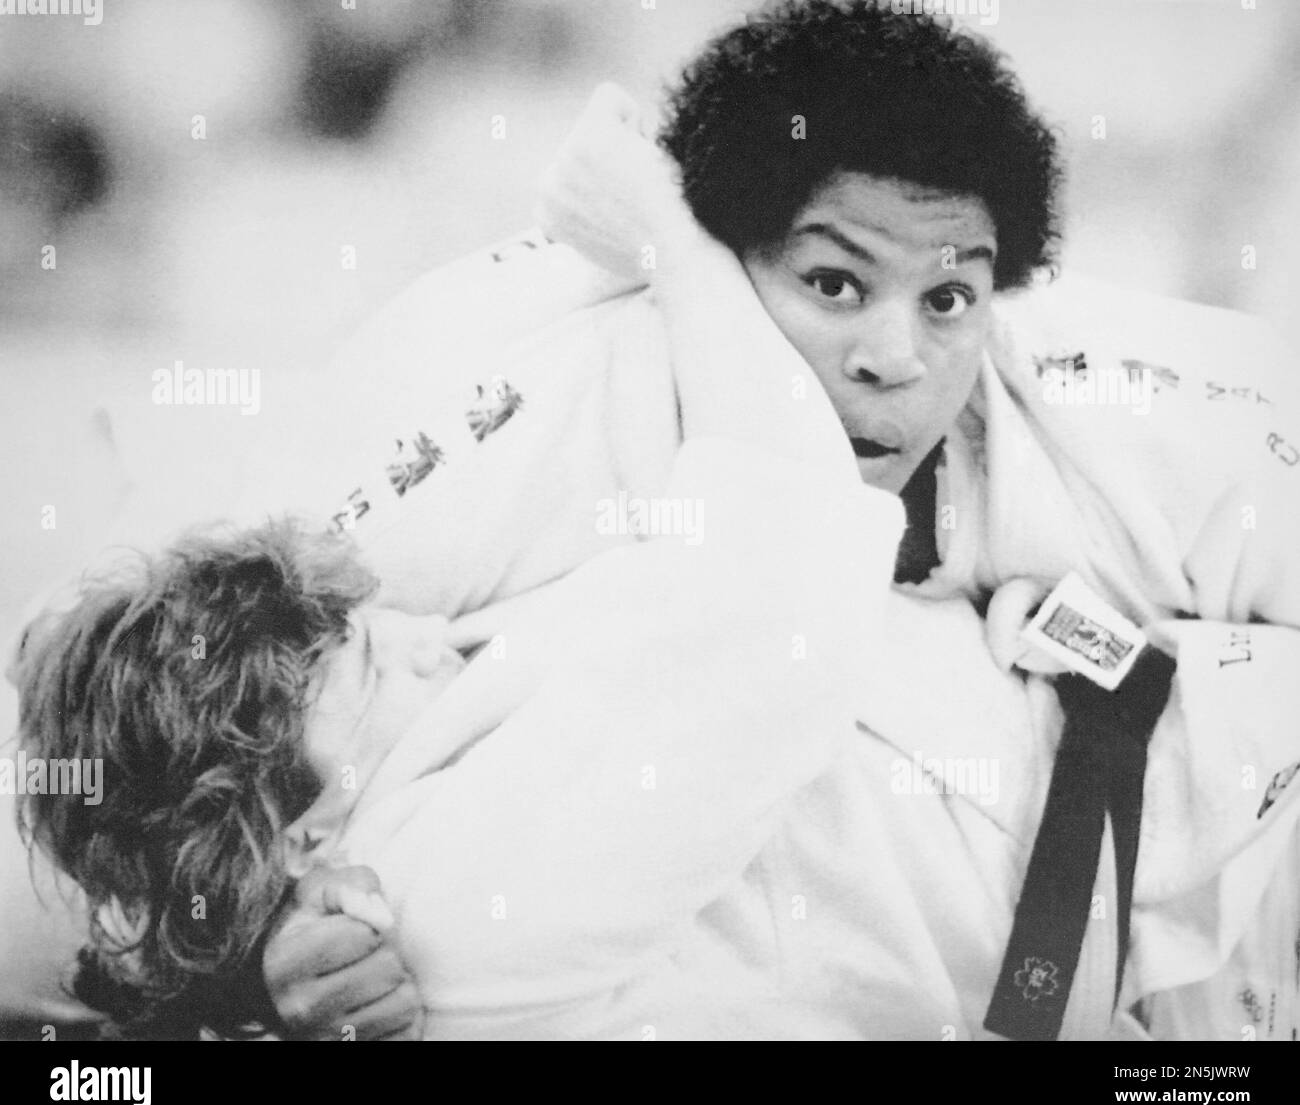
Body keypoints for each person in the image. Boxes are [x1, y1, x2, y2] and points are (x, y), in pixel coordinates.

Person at [253, 0, 1300, 1040]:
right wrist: (275, 939)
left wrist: (1114, 663)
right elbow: (189, 695)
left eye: (948, 300)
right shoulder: (558, 398)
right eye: (832, 282)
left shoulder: (1118, 418)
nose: (894, 354)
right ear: (719, 253)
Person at [14, 172, 918, 1038]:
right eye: (371, 669)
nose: (418, 635)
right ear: (300, 838)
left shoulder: (393, 757)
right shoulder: (446, 911)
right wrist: (673, 244)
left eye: (370, 629)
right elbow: (785, 585)